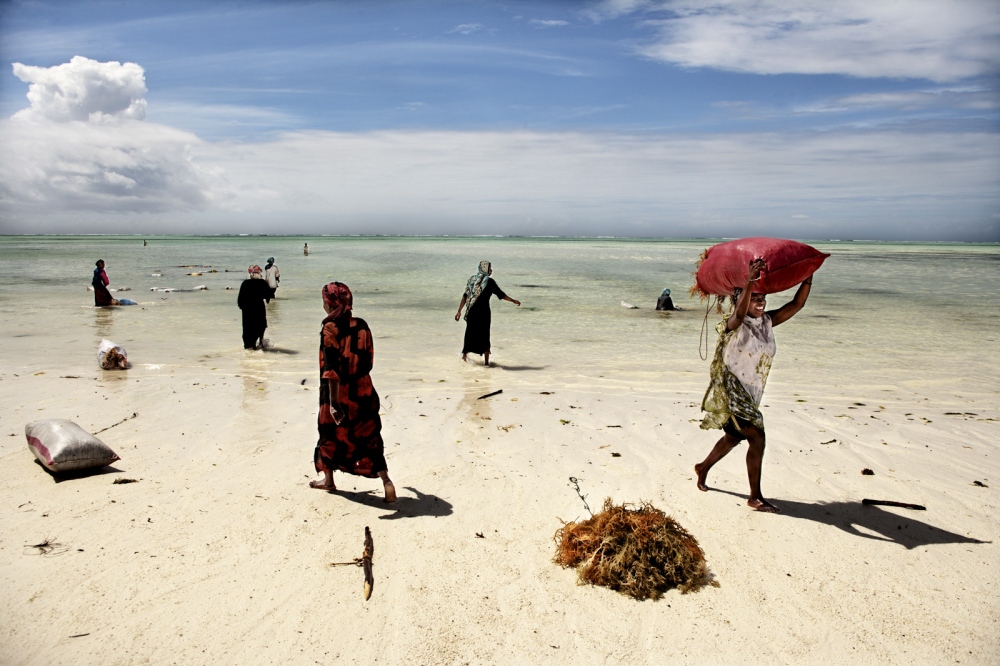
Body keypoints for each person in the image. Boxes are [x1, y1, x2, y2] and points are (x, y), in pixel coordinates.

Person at [694, 258, 813, 513]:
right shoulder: (732, 325)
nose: (761, 303)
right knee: (757, 437)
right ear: (742, 299)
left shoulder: (766, 322)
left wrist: (808, 276)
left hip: (752, 391)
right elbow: (739, 313)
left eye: (763, 298)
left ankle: (703, 468)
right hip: (732, 389)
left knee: (733, 437)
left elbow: (797, 304)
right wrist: (749, 280)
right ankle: (754, 496)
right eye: (755, 298)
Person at [310, 282, 396, 502]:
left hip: (337, 391)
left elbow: (331, 369)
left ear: (329, 303)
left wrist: (334, 403)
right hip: (363, 389)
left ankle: (329, 480)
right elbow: (368, 359)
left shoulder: (329, 328)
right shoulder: (362, 325)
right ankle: (387, 483)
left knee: (329, 434)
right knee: (369, 436)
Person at [454, 260, 520, 366]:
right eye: (490, 268)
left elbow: (465, 296)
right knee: (485, 336)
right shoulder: (489, 282)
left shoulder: (472, 280)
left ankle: (464, 358)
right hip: (483, 314)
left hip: (472, 312)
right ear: (485, 269)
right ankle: (486, 363)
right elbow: (501, 295)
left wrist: (459, 311)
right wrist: (513, 301)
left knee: (469, 334)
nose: (491, 270)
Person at [237, 265, 271, 349]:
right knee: (260, 326)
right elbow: (268, 296)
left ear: (250, 274)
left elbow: (240, 300)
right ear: (259, 273)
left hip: (247, 310)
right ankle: (261, 342)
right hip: (259, 308)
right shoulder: (262, 283)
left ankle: (249, 349)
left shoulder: (245, 283)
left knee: (247, 329)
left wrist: (242, 307)